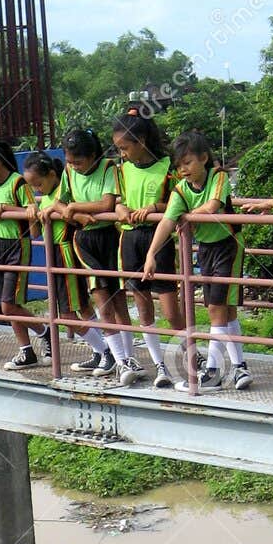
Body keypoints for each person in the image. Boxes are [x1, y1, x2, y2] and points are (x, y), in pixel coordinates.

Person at [140, 130, 250, 391]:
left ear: (203, 158)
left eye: (187, 163)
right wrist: (151, 254)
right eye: (179, 166)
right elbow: (167, 221)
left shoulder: (218, 176)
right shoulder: (180, 190)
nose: (183, 170)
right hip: (206, 249)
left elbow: (212, 207)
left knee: (216, 308)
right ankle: (240, 367)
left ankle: (212, 372)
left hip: (228, 246)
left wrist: (187, 216)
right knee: (226, 309)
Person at [114, 105, 181, 389]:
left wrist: (155, 207)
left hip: (159, 237)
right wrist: (120, 208)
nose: (121, 153)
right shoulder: (123, 169)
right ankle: (160, 365)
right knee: (142, 307)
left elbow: (181, 200)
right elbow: (118, 199)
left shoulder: (168, 166)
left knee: (170, 309)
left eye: (124, 147)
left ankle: (189, 355)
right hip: (130, 239)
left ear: (141, 142)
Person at [54, 127, 127, 377]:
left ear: (93, 156)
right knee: (102, 301)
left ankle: (126, 360)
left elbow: (107, 204)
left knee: (119, 303)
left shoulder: (108, 168)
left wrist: (74, 206)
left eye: (79, 162)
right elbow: (57, 202)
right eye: (69, 161)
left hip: (109, 238)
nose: (73, 166)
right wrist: (75, 213)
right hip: (85, 240)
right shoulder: (67, 172)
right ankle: (113, 358)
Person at [24, 150, 106, 368]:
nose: (37, 190)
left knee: (69, 313)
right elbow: (34, 233)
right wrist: (31, 213)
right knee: (82, 308)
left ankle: (107, 352)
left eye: (39, 184)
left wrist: (54, 210)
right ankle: (102, 351)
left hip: (66, 253)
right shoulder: (46, 198)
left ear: (52, 174)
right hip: (54, 254)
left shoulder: (63, 192)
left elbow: (77, 217)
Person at [0, 137, 46, 370]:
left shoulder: (18, 183)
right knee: (6, 303)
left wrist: (5, 209)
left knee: (7, 305)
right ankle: (27, 350)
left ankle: (45, 332)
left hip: (17, 246)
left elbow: (30, 215)